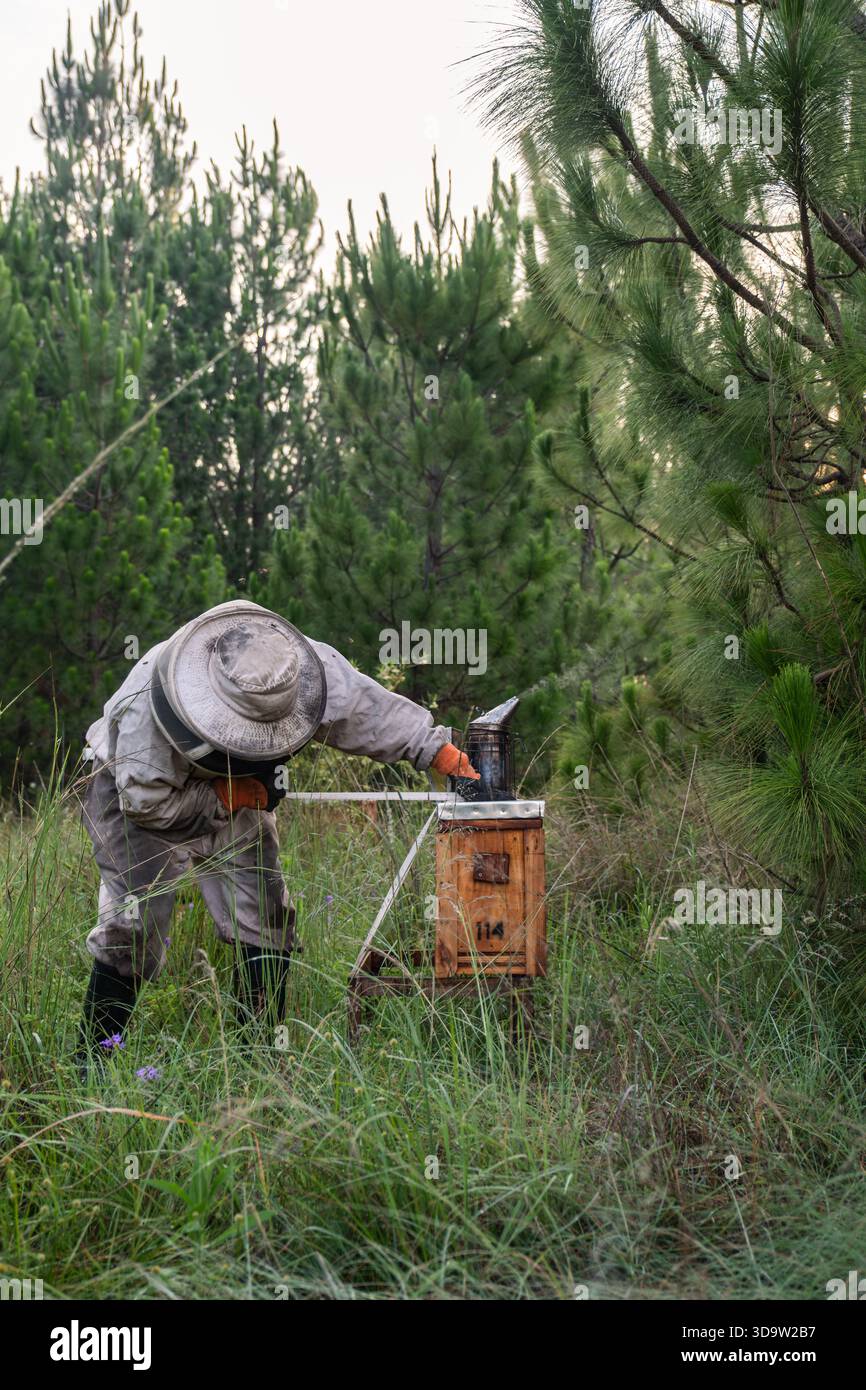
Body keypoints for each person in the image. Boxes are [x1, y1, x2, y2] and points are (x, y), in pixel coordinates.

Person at [76, 600, 478, 1067]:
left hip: (233, 786)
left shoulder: (294, 664)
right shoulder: (148, 709)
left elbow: (365, 709)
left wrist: (437, 750)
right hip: (137, 796)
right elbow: (146, 803)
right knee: (136, 926)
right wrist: (229, 797)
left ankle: (259, 1063)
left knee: (264, 911)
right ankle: (92, 1065)